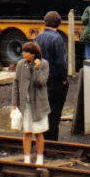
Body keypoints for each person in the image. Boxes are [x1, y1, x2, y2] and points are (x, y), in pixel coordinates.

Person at [11, 41, 49, 166]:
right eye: (23, 51)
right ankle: (26, 157)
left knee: (38, 132)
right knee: (26, 132)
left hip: (38, 104)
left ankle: (39, 157)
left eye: (26, 52)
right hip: (25, 104)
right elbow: (16, 83)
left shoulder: (44, 64)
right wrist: (14, 102)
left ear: (33, 54)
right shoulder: (21, 64)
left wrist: (37, 68)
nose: (23, 54)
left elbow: (41, 82)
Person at [34, 11, 68, 141]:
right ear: (58, 23)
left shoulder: (38, 38)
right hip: (55, 80)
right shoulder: (57, 38)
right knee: (54, 112)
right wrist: (64, 79)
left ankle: (42, 138)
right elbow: (60, 62)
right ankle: (52, 140)